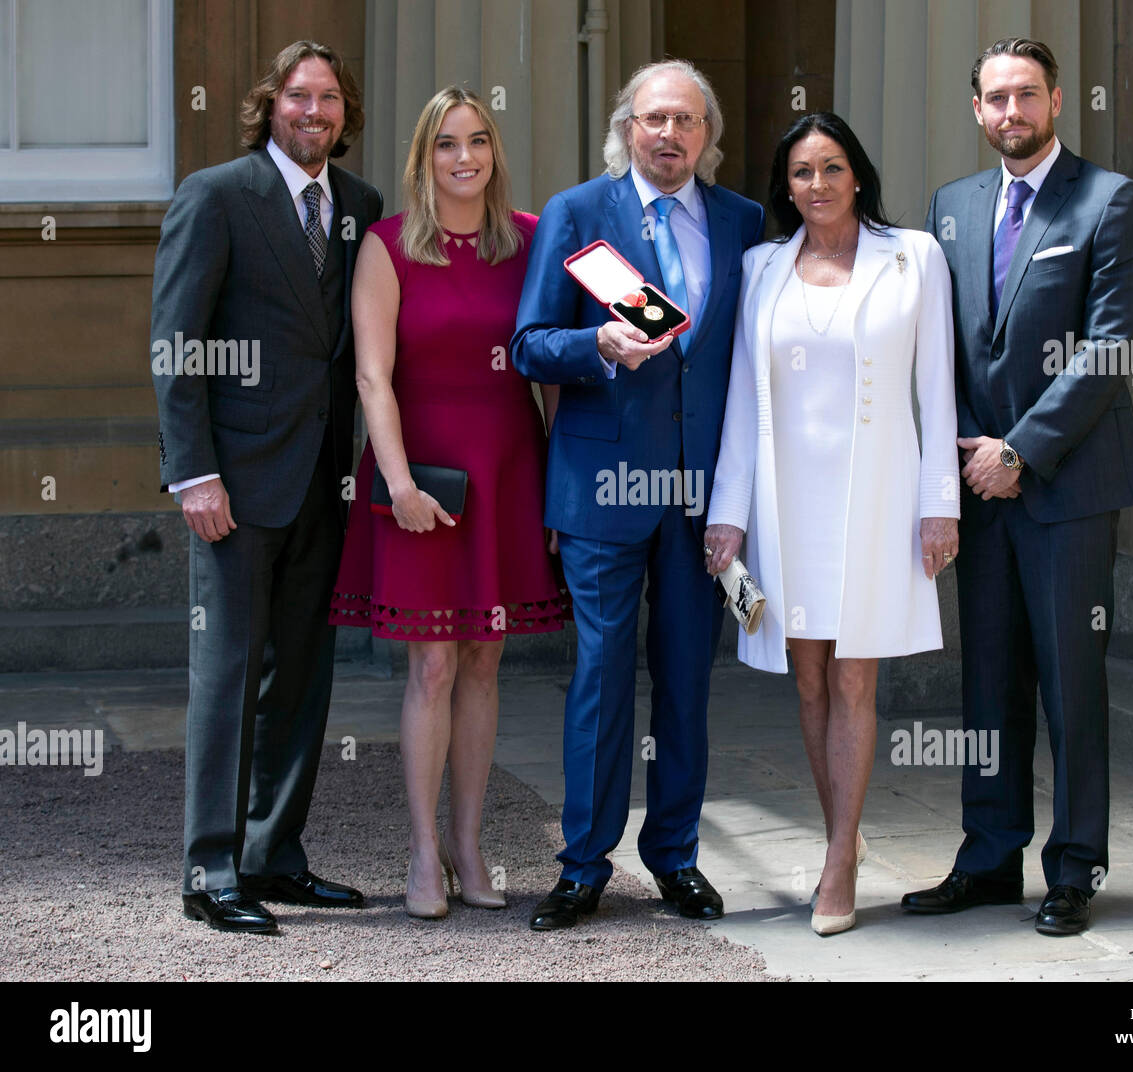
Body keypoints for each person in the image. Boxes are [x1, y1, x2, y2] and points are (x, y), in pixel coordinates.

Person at [902, 37, 1133, 936]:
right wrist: (965, 456)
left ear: (1055, 101)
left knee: (1069, 681)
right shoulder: (954, 206)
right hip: (979, 484)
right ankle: (989, 856)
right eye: (996, 99)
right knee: (989, 682)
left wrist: (1020, 450)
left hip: (1067, 486)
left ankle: (1076, 867)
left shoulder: (1107, 199)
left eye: (1027, 97)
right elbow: (944, 341)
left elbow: (1110, 345)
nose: (1012, 113)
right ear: (977, 110)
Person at [512, 60, 764, 931]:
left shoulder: (744, 223)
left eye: (685, 120)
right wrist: (601, 345)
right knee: (601, 678)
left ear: (707, 133)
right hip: (601, 487)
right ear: (628, 127)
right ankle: (583, 864)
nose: (669, 134)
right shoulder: (578, 213)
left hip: (699, 496)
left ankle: (676, 858)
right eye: (653, 118)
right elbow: (529, 345)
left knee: (689, 683)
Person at [704, 113, 961, 936]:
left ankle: (839, 859)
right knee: (808, 678)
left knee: (855, 678)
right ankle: (836, 838)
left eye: (834, 168)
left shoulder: (913, 256)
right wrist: (729, 517)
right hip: (786, 502)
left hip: (879, 496)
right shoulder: (759, 266)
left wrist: (939, 502)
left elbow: (937, 388)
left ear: (859, 176)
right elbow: (743, 398)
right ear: (786, 185)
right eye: (803, 171)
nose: (819, 184)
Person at [151, 40, 383, 934]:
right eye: (298, 95)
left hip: (327, 480)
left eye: (328, 97)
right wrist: (192, 472)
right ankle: (210, 871)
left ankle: (273, 855)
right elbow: (176, 345)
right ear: (271, 105)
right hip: (235, 486)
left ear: (344, 112)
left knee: (302, 678)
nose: (314, 111)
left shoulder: (358, 207)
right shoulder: (216, 196)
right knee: (226, 676)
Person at [330, 87, 566, 919]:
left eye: (478, 141)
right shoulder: (388, 248)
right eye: (445, 144)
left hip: (507, 473)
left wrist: (558, 491)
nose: (464, 158)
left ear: (494, 152)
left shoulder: (534, 241)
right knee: (431, 660)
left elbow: (549, 373)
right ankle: (423, 850)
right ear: (422, 156)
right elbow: (371, 377)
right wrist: (397, 487)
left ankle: (470, 844)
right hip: (420, 477)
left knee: (484, 658)